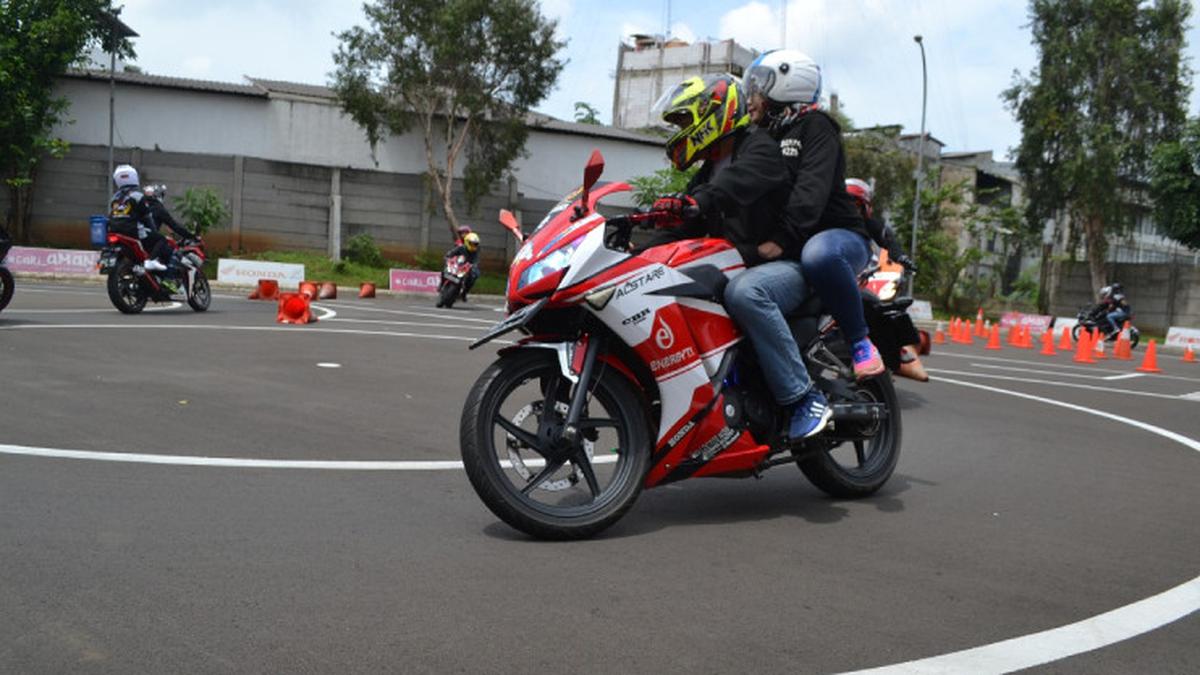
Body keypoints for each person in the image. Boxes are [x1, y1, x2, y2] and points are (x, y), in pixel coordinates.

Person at [645, 73, 831, 440]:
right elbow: (683, 227)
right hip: (746, 266)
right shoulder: (708, 171)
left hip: (785, 268)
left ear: (714, 113)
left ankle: (802, 397)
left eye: (684, 121)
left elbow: (732, 187)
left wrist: (697, 204)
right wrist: (636, 251)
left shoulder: (759, 149)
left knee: (745, 293)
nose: (680, 130)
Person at [743, 49, 885, 383]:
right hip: (796, 244)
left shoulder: (817, 126)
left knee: (818, 255)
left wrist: (780, 238)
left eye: (758, 89)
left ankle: (860, 341)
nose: (751, 99)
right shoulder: (763, 137)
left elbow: (811, 192)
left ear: (788, 84)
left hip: (839, 238)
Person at [845, 178, 928, 382]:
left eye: (855, 204)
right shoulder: (825, 220)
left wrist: (901, 257)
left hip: (859, 279)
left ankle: (894, 349)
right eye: (846, 202)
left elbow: (887, 238)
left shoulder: (869, 227)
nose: (850, 209)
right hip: (827, 279)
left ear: (865, 206)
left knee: (875, 306)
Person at [109, 165, 192, 274]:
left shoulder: (115, 198)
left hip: (114, 230)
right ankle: (151, 260)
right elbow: (147, 217)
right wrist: (153, 231)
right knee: (161, 239)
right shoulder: (138, 196)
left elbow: (112, 214)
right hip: (133, 231)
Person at [445, 231, 481, 301]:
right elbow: (452, 252)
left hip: (469, 266)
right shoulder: (461, 248)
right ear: (467, 242)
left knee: (474, 275)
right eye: (472, 244)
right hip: (458, 264)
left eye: (475, 244)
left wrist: (474, 265)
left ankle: (464, 292)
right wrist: (448, 256)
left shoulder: (476, 251)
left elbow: (477, 259)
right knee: (446, 268)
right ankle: (442, 284)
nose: (474, 246)